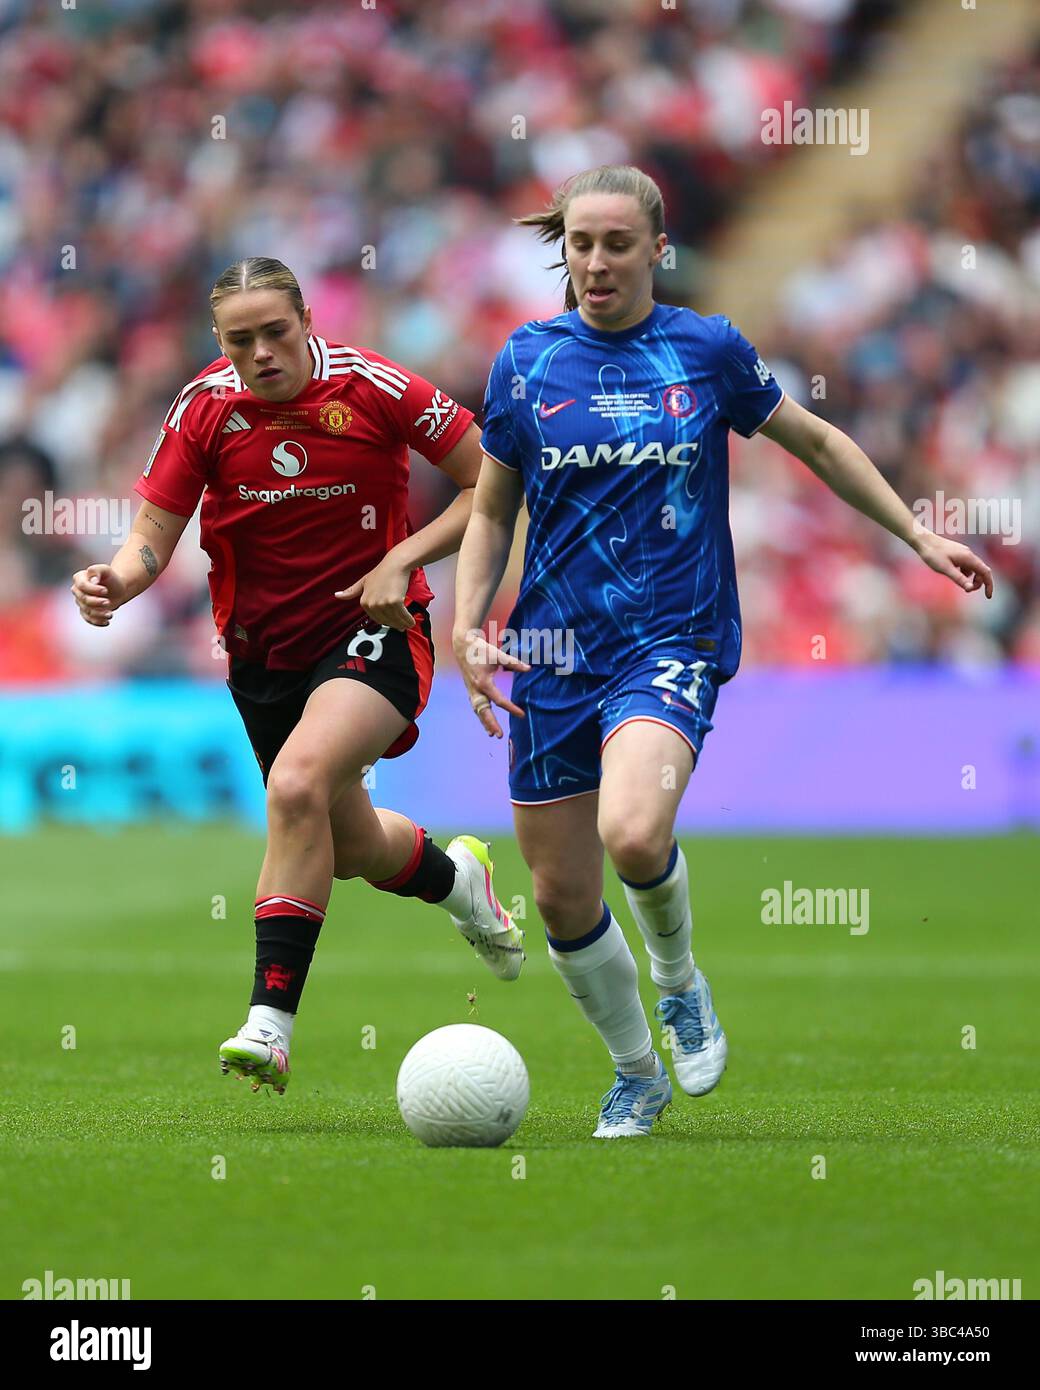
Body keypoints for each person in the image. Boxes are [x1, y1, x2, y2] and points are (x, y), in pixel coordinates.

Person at [453, 165, 993, 1138]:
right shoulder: (525, 363)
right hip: (549, 648)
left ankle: (677, 981)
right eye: (579, 244)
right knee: (559, 891)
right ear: (562, 252)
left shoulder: (701, 350)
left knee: (631, 832)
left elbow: (816, 443)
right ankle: (633, 1073)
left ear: (656, 251)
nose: (595, 262)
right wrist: (469, 622)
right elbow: (492, 505)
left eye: (616, 244)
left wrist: (914, 535)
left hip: (670, 634)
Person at [71, 257, 524, 1094]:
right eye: (240, 340)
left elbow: (491, 482)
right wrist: (115, 582)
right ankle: (461, 882)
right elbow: (153, 533)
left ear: (307, 319)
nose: (261, 352)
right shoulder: (205, 406)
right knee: (349, 844)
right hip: (262, 656)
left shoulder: (375, 387)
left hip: (376, 630)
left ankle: (268, 1025)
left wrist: (404, 557)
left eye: (276, 331)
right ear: (220, 342)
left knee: (295, 784)